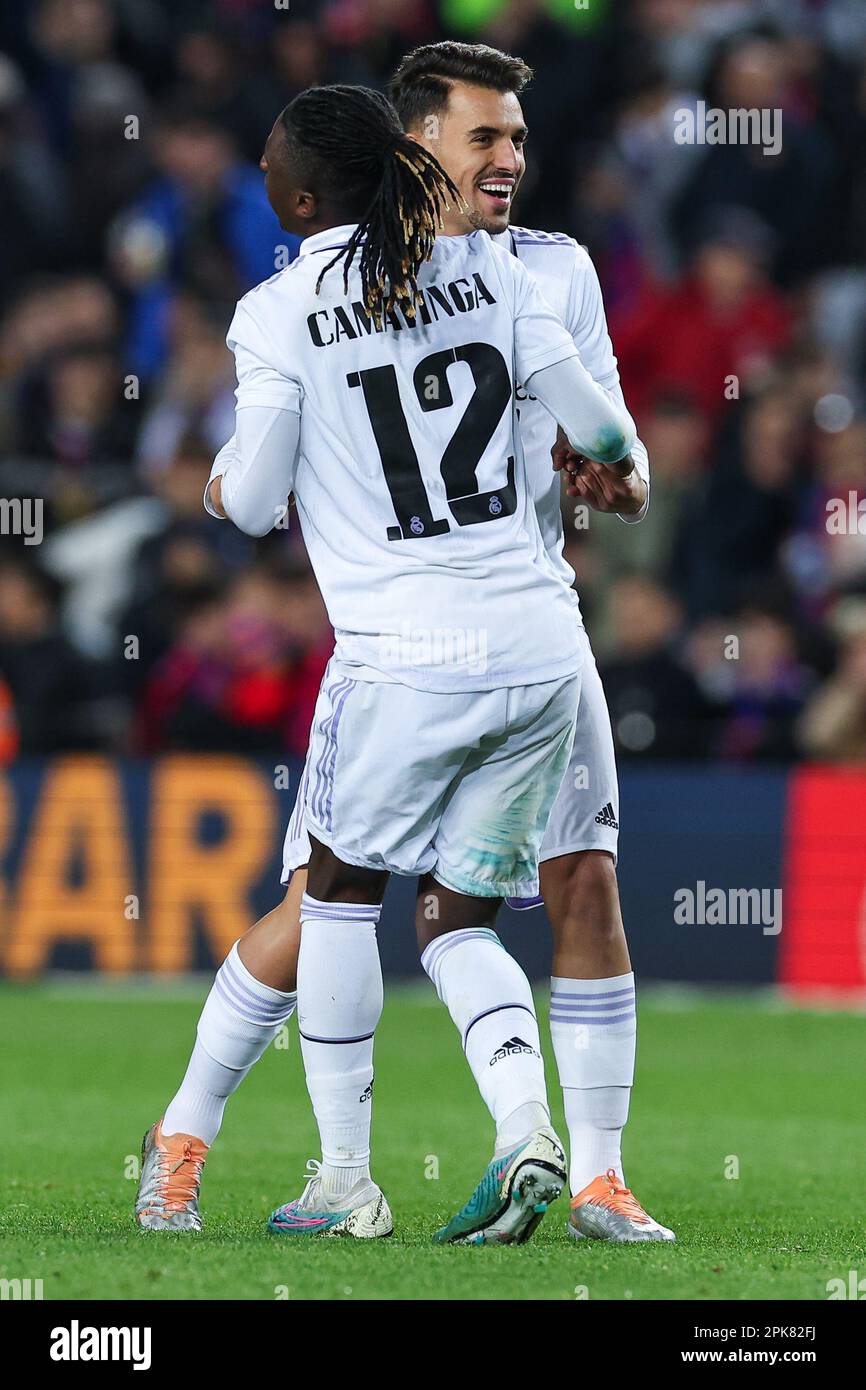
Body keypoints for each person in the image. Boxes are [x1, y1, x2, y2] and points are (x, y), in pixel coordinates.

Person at [135, 52, 656, 1245]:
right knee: (453, 919)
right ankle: (524, 1132)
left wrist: (218, 491)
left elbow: (259, 494)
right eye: (485, 140)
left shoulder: (288, 307)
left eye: (517, 139)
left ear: (302, 195)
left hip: (402, 650)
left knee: (336, 899)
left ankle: (347, 1178)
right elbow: (609, 429)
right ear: (411, 154)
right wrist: (602, 459)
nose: (509, 162)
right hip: (530, 641)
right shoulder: (498, 279)